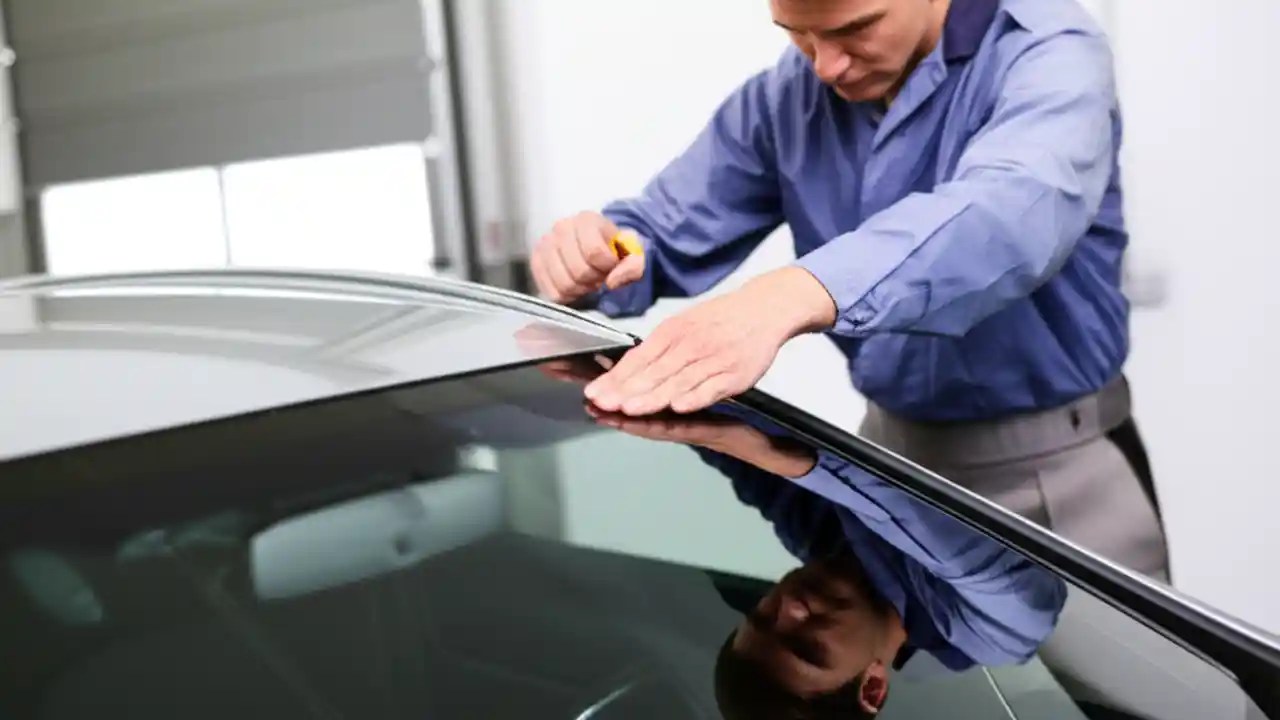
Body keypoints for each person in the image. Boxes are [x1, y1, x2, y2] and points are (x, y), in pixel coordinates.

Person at [528, 0, 1168, 579]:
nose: (826, 66)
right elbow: (659, 231)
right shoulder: (788, 95)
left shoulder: (1051, 52)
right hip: (885, 460)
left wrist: (786, 298)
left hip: (1061, 471)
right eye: (797, 34)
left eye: (855, 28)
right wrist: (606, 253)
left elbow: (1010, 213)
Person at [590, 406, 1067, 718]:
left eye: (763, 616)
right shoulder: (992, 631)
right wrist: (798, 463)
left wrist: (632, 396)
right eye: (807, 648)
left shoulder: (817, 538)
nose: (791, 609)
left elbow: (723, 439)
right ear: (873, 687)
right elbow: (964, 539)